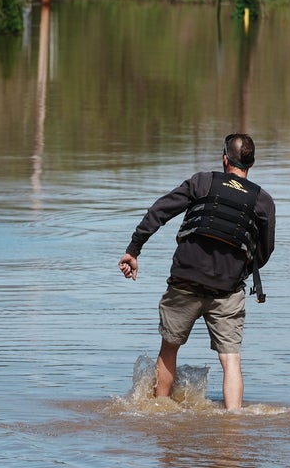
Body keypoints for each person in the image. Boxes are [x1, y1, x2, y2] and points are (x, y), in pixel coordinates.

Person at [118, 133, 276, 410]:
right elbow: (264, 252)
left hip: (185, 283)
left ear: (224, 158)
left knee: (169, 349)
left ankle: (160, 414)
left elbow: (159, 212)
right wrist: (237, 272)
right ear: (251, 163)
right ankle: (233, 424)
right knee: (231, 360)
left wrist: (134, 249)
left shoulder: (202, 181)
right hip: (228, 290)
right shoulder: (262, 201)